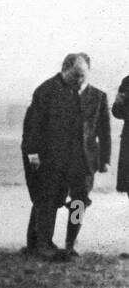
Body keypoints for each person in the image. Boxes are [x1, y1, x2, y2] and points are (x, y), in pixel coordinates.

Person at [22, 53, 111, 260]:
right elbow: (33, 126)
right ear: (64, 69)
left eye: (83, 76)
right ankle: (43, 244)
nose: (79, 80)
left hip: (84, 162)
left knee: (79, 201)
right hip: (53, 159)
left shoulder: (98, 97)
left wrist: (105, 159)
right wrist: (33, 153)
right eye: (75, 75)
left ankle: (71, 243)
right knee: (49, 200)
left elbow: (104, 132)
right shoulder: (46, 91)